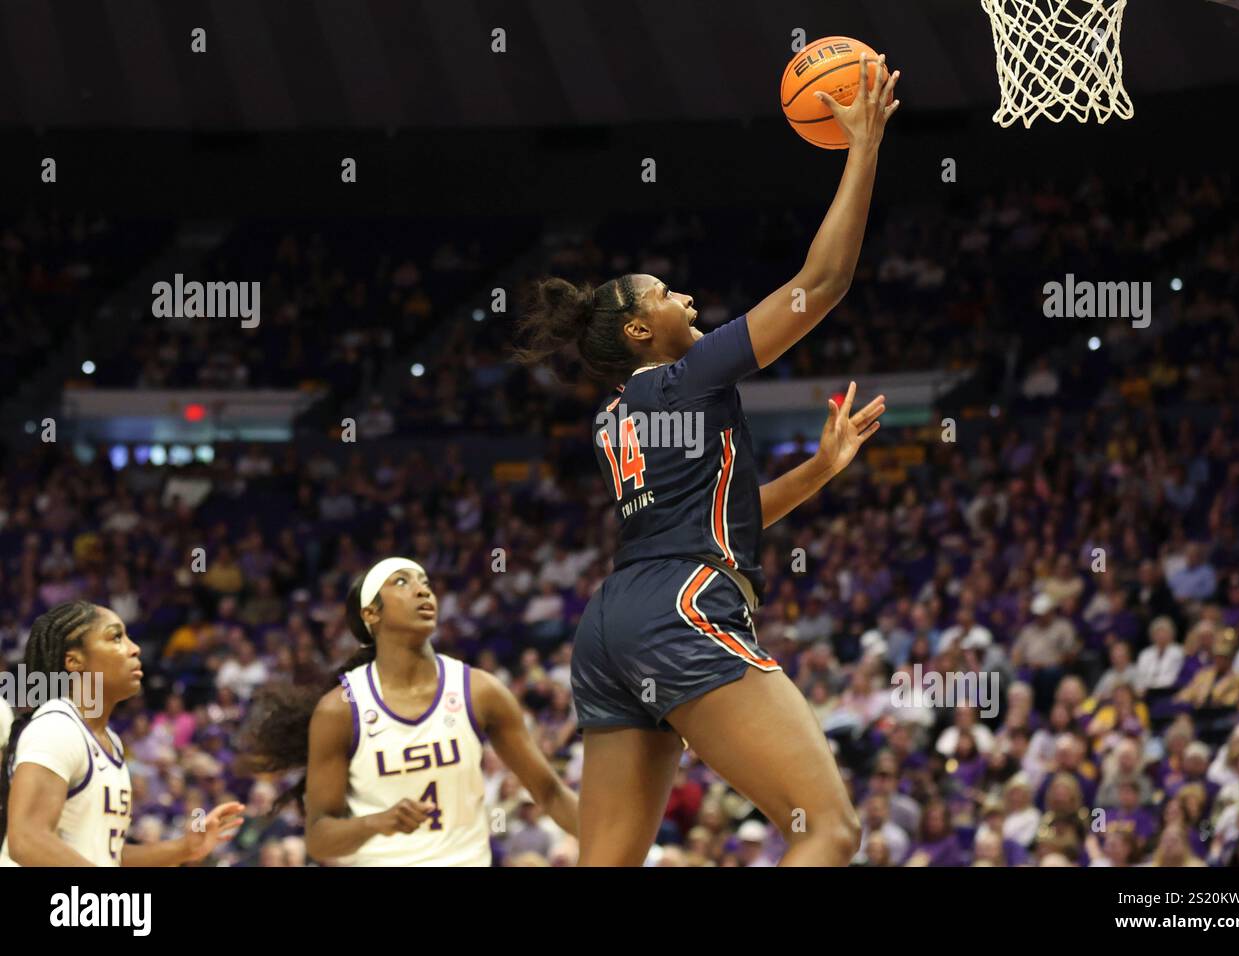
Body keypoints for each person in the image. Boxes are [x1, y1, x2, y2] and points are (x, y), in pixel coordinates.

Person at [515, 54, 900, 867]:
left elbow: (725, 512)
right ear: (638, 333)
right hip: (681, 606)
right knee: (827, 828)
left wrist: (822, 472)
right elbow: (822, 283)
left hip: (611, 623)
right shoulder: (687, 377)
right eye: (666, 294)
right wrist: (862, 146)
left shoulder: (614, 416)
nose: (686, 298)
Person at [242, 558, 578, 866]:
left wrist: (626, 844)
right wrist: (376, 822)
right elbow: (319, 839)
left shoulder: (480, 691)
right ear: (370, 614)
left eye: (425, 582)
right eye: (401, 582)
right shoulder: (340, 710)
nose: (422, 590)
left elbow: (550, 793)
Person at [0, 601, 244, 866]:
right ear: (74, 660)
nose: (134, 648)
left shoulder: (110, 741)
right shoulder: (56, 727)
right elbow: (27, 840)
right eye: (116, 637)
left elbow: (106, 856)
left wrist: (183, 849)